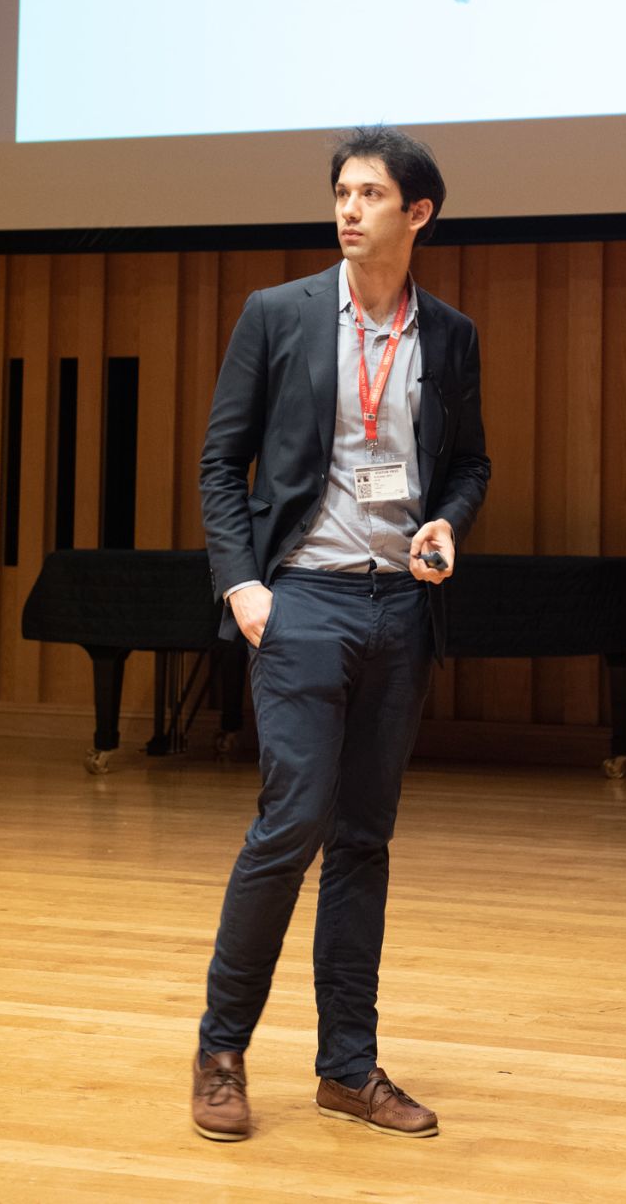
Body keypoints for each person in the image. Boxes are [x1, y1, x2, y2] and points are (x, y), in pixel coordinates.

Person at [193, 125, 490, 1142]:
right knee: (293, 824)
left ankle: (347, 1069)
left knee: (364, 839)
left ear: (419, 213)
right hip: (303, 602)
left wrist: (450, 518)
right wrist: (242, 586)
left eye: (370, 193)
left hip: (400, 608)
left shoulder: (448, 335)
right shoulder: (277, 314)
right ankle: (221, 1050)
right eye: (340, 193)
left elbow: (470, 465)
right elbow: (219, 461)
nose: (348, 208)